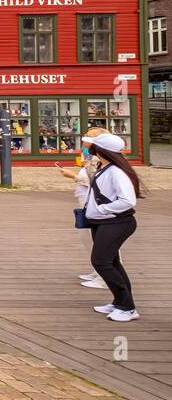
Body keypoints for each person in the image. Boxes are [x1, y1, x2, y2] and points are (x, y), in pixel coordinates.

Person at [82, 132, 142, 322]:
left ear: (100, 151)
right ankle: (120, 302)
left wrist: (101, 209)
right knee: (112, 262)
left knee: (101, 261)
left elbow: (128, 200)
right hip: (104, 221)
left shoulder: (116, 172)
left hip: (115, 221)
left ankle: (127, 307)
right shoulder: (105, 168)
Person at [58, 127, 108, 287]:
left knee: (100, 238)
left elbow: (95, 181)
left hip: (95, 202)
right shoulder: (90, 156)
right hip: (85, 199)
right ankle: (98, 270)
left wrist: (73, 176)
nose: (84, 139)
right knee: (86, 235)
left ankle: (104, 277)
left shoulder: (99, 159)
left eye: (87, 136)